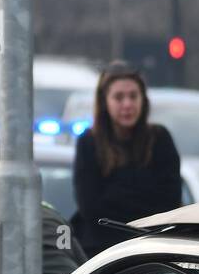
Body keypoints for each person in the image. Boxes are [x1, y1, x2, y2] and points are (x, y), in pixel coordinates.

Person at [72, 62, 182, 256]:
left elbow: (170, 201)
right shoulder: (89, 143)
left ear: (143, 99)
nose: (127, 104)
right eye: (119, 97)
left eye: (133, 96)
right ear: (104, 101)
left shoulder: (159, 139)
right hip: (102, 251)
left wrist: (116, 195)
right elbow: (90, 207)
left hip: (152, 245)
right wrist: (142, 195)